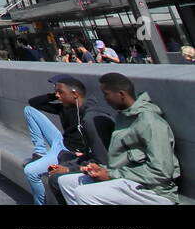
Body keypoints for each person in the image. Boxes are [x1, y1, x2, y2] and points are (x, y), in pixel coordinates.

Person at [57, 73, 180, 205]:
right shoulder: (122, 118)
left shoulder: (150, 122)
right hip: (126, 180)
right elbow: (119, 161)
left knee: (85, 194)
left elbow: (161, 172)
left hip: (154, 191)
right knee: (65, 182)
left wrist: (111, 175)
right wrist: (100, 170)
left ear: (121, 94)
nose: (105, 99)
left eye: (106, 94)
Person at [24, 74, 115, 205]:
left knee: (30, 171)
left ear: (74, 93)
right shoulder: (63, 108)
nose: (57, 96)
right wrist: (54, 95)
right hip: (60, 140)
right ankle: (40, 151)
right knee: (29, 110)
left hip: (69, 149)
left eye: (60, 92)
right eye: (56, 91)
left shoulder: (88, 114)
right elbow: (34, 102)